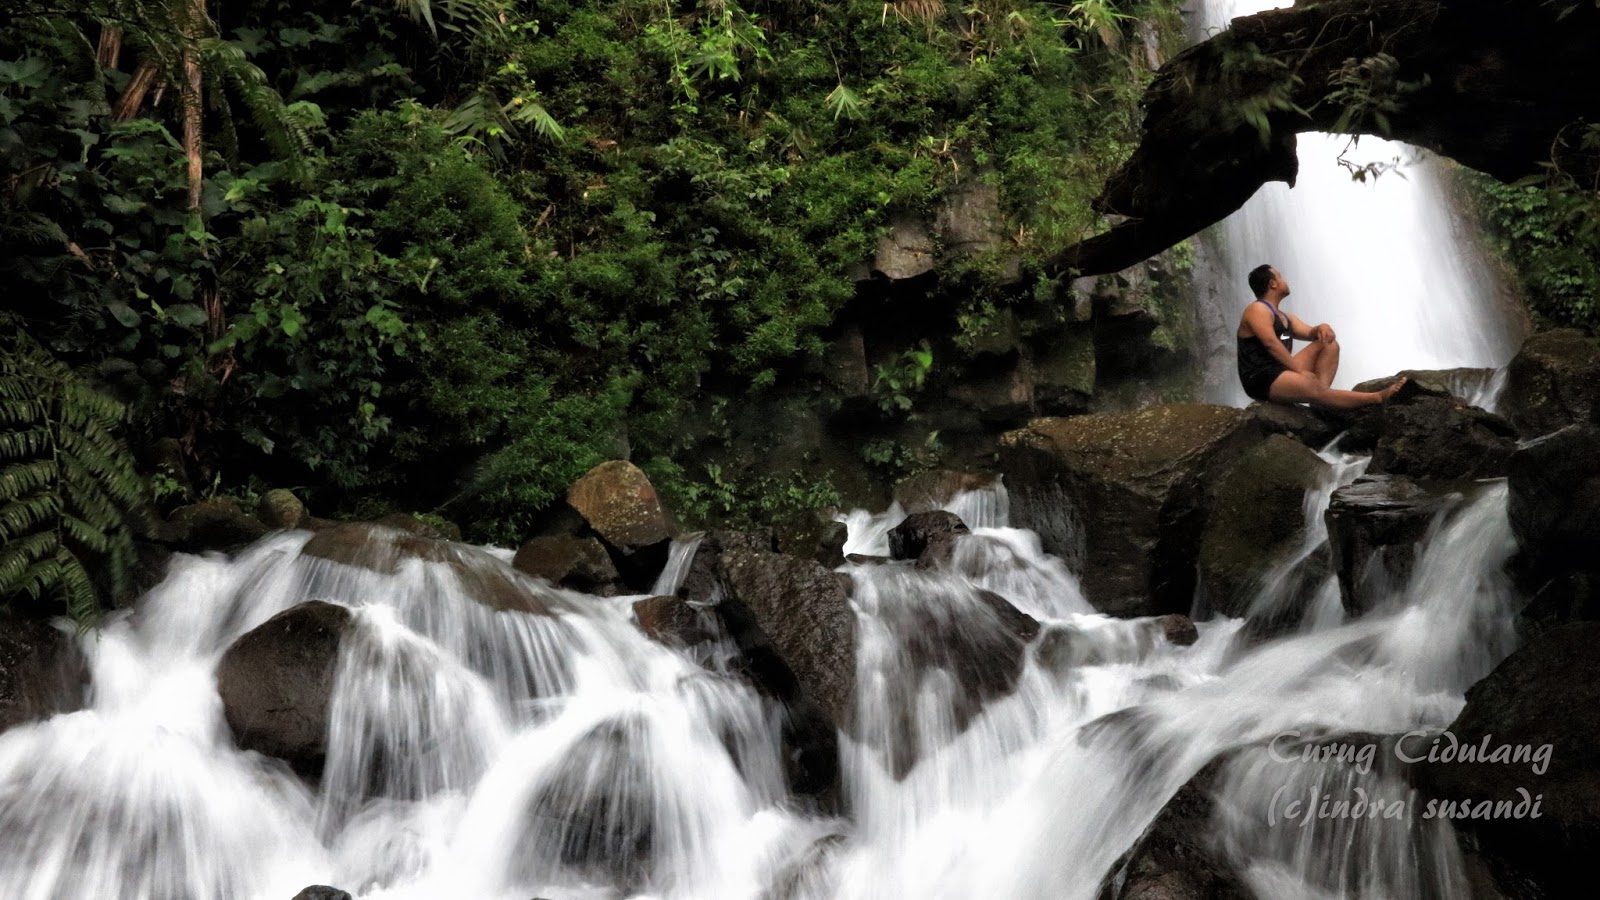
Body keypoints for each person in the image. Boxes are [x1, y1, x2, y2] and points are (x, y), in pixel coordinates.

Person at [1236, 264, 1405, 409]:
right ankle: (1378, 397)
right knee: (1311, 385)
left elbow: (1311, 333)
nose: (1285, 281)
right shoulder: (1257, 309)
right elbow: (1270, 343)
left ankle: (1321, 399)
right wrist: (1300, 371)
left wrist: (1322, 327)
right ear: (1273, 284)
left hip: (1281, 370)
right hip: (1260, 378)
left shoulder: (1285, 317)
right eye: (1280, 277)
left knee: (1328, 343)